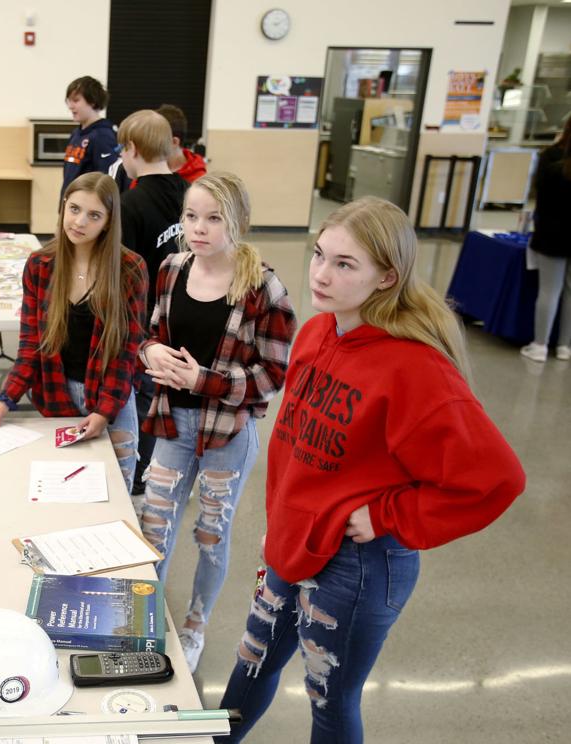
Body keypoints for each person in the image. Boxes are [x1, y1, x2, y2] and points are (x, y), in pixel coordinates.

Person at [216, 197, 525, 743]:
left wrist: (388, 512)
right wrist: (284, 523)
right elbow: (298, 452)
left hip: (357, 568)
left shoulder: (415, 368)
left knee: (328, 704)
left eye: (344, 264)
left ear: (387, 277)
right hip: (294, 542)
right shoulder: (316, 334)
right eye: (319, 255)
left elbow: (496, 479)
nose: (321, 273)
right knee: (252, 662)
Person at [138, 174, 296, 673]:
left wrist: (204, 380)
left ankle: (195, 624)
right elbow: (148, 335)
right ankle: (146, 621)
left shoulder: (264, 287)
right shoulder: (169, 268)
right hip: (171, 424)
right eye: (190, 217)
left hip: (227, 434)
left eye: (213, 218)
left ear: (237, 222)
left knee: (211, 534)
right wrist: (150, 351)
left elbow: (273, 377)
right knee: (154, 527)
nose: (199, 229)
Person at [0, 173, 147, 490]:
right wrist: (4, 400)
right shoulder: (40, 265)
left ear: (108, 222)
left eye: (94, 215)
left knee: (117, 494)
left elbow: (125, 354)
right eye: (75, 209)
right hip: (56, 395)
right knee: (63, 490)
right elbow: (31, 348)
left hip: (112, 398)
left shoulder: (129, 268)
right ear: (63, 206)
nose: (79, 221)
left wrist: (105, 412)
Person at [115, 109, 189, 501]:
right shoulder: (190, 192)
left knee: (145, 396)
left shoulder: (131, 203)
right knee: (174, 396)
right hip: (186, 317)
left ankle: (142, 477)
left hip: (147, 324)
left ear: (132, 149)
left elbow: (124, 271)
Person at [520, 115, 571, 362]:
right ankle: (564, 346)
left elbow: (539, 197)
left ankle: (540, 344)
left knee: (549, 291)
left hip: (552, 235)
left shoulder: (550, 157)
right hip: (557, 233)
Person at [110, 104, 207, 192]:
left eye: (157, 139)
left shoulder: (198, 181)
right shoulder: (142, 171)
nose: (150, 144)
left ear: (174, 142)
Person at [61, 76, 118, 199]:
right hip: (70, 202)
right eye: (69, 101)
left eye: (76, 100)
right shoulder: (76, 133)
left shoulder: (103, 136)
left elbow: (106, 179)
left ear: (92, 101)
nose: (70, 106)